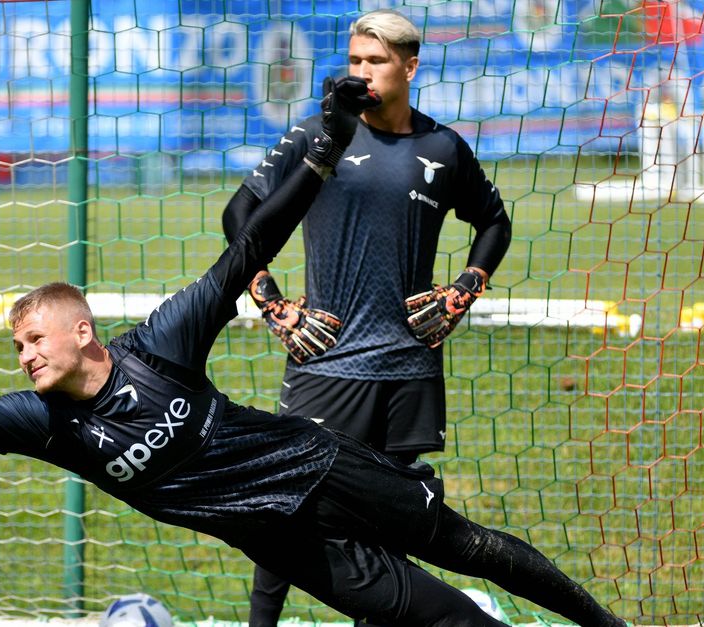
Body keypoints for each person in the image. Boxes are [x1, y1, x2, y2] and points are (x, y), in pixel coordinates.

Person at [0, 78, 620, 627]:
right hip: (286, 538)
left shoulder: (162, 341)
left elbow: (245, 251)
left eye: (31, 337)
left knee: (470, 547)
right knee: (440, 616)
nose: (23, 354)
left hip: (321, 466)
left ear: (80, 330)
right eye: (16, 344)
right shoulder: (47, 424)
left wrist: (319, 157)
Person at [220, 9, 513, 625]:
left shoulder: (443, 148)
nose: (363, 72)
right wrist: (271, 303)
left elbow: (494, 221)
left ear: (408, 66)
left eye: (375, 61)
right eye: (355, 61)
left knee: (389, 522)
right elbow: (239, 212)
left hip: (408, 367)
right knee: (285, 503)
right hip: (325, 361)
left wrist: (463, 291)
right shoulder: (319, 137)